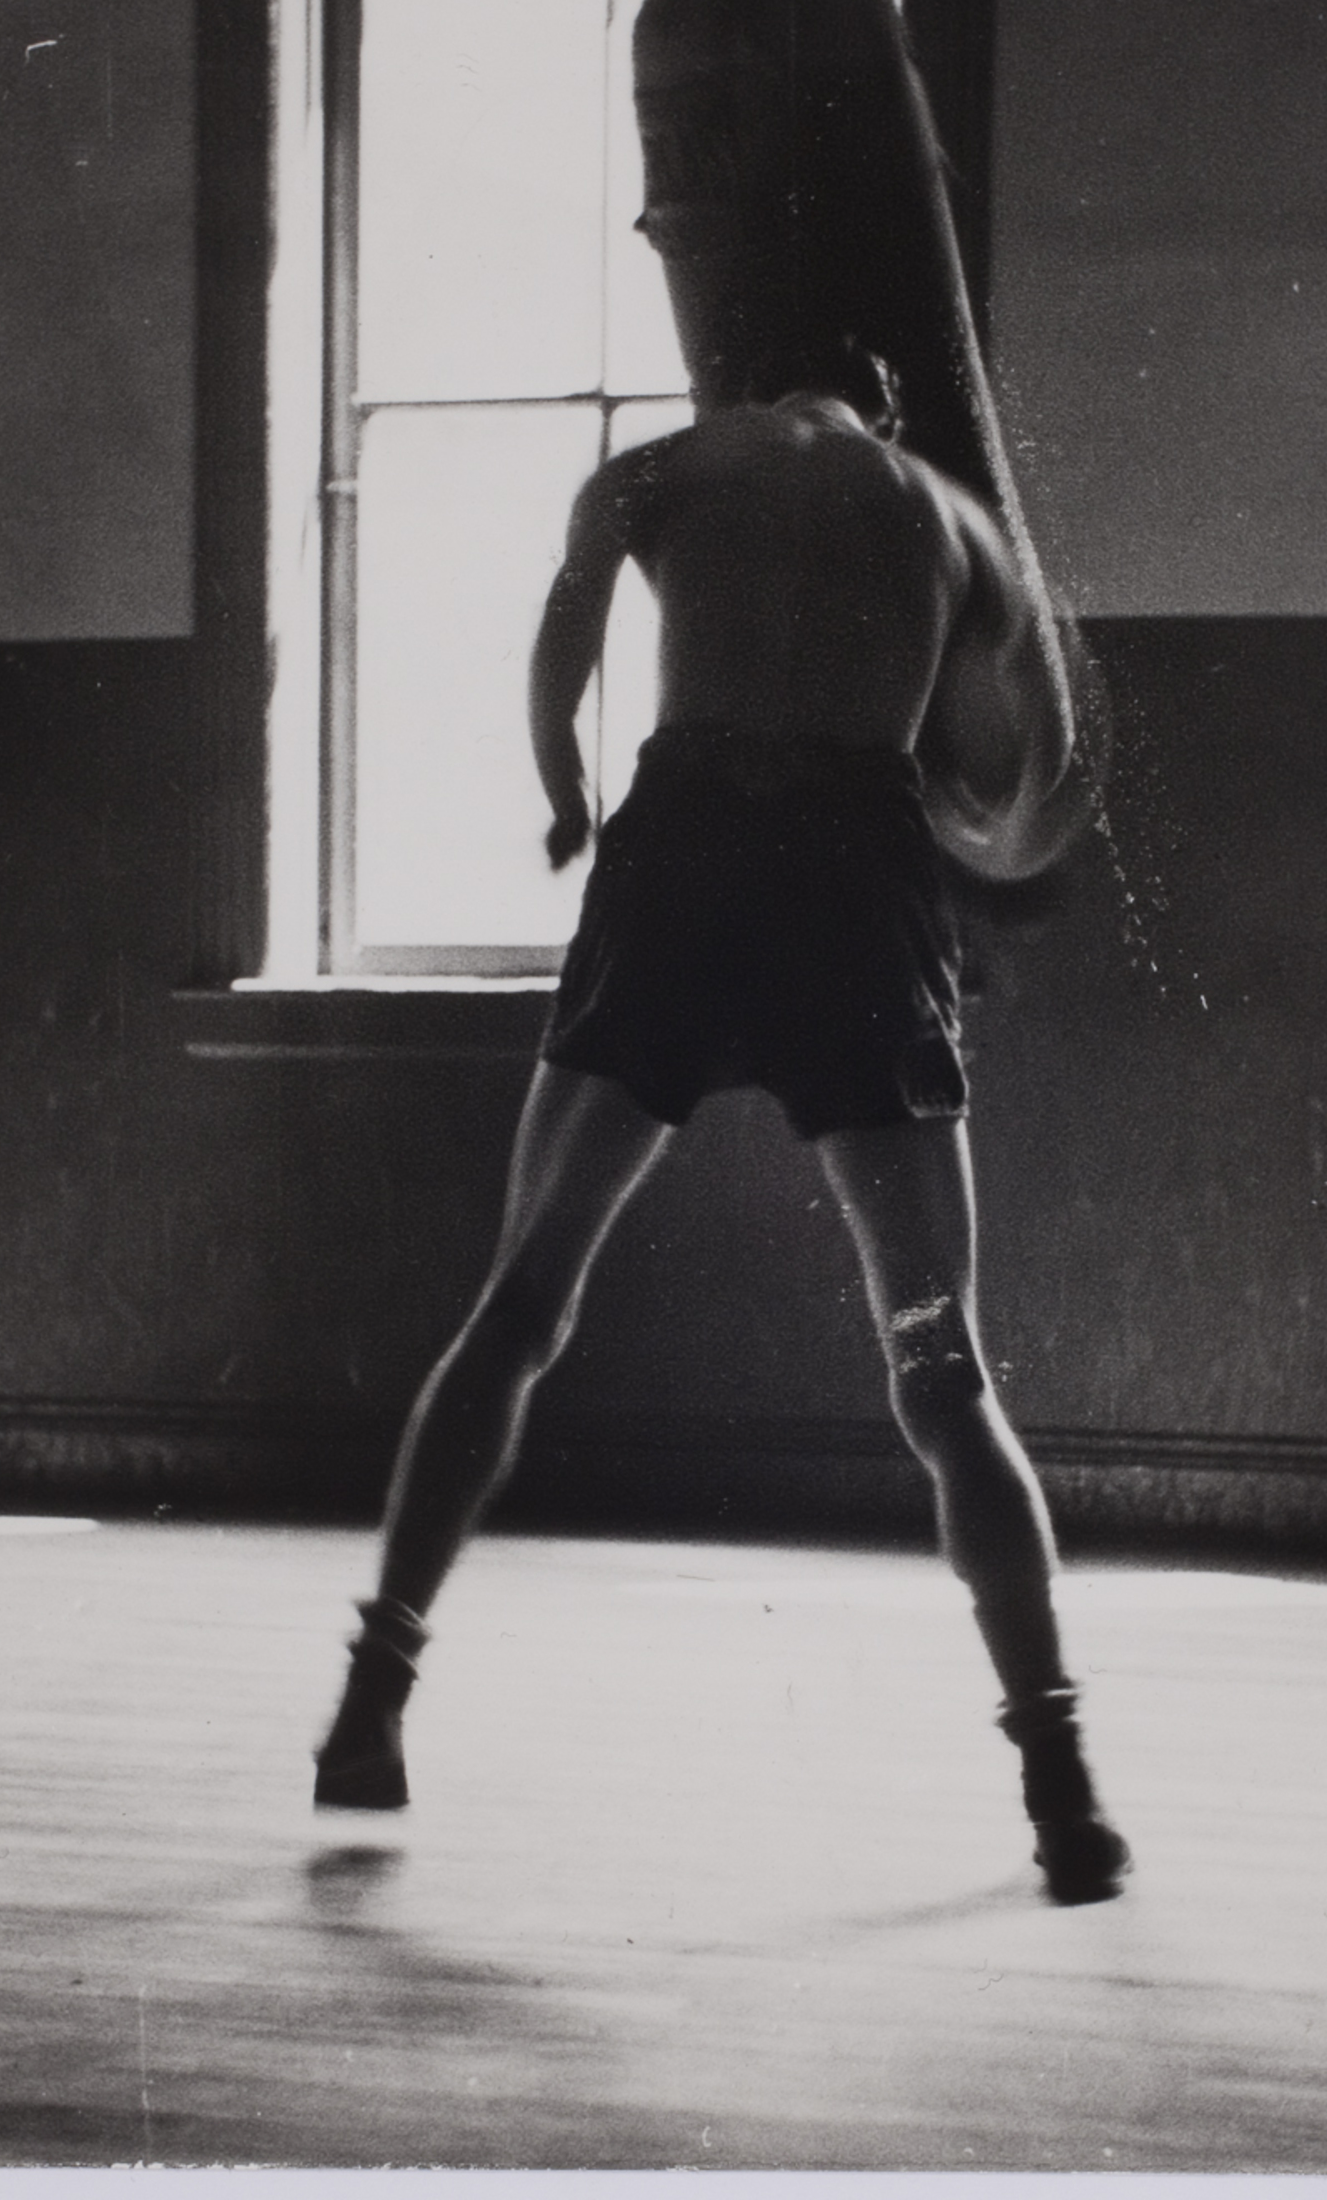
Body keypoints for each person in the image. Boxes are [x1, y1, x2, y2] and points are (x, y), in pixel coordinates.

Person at [313, 337, 1130, 1905]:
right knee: (939, 1365)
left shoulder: (664, 472)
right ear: (876, 406)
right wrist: (960, 874)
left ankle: (370, 1706)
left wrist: (561, 792)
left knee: (521, 1308)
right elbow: (1022, 771)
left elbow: (561, 644)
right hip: (856, 884)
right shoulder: (947, 517)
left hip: (681, 859)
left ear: (746, 392)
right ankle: (1062, 1791)